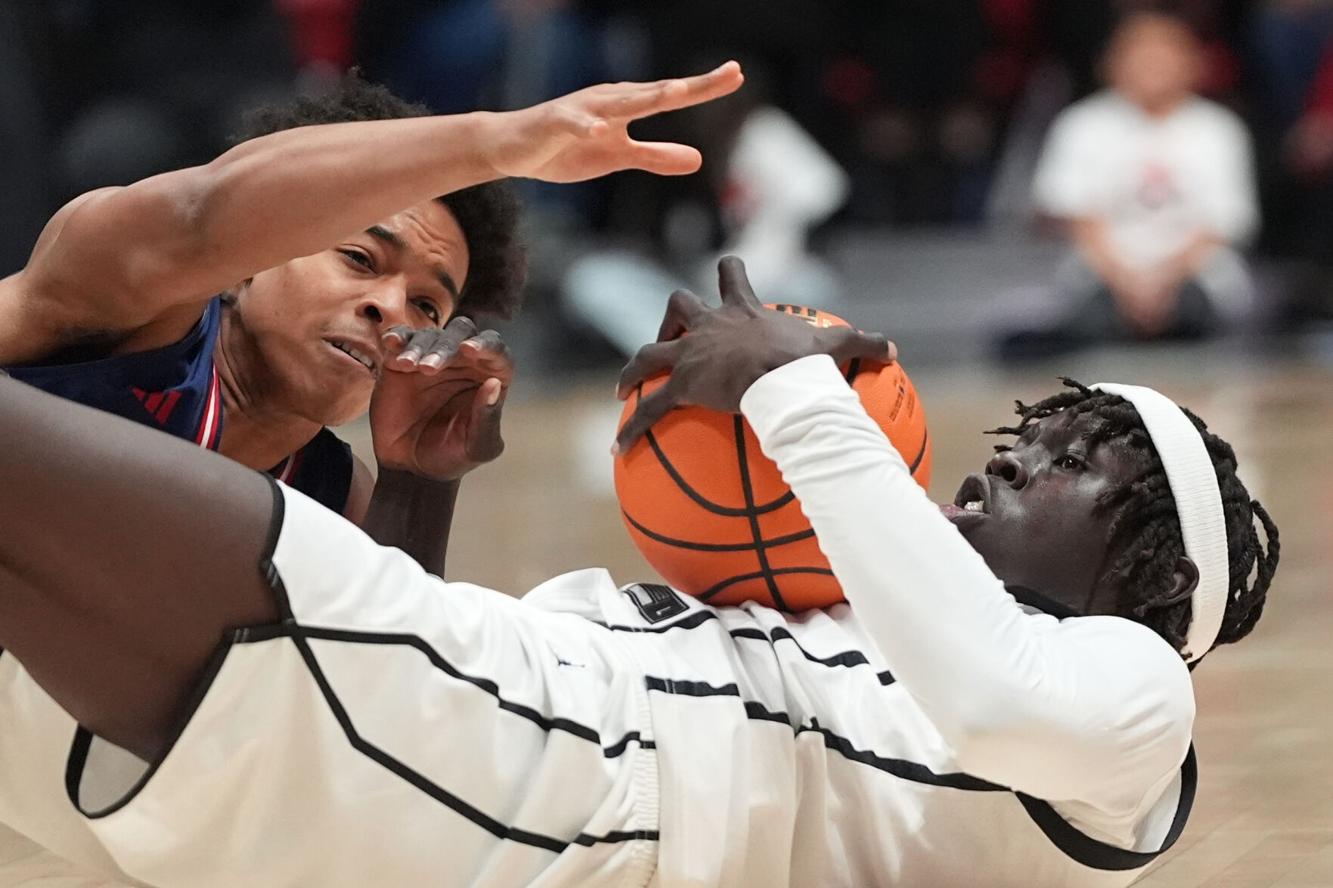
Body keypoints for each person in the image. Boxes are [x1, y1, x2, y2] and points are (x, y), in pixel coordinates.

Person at [0, 258, 1278, 886]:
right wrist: (423, 488)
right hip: (450, 751)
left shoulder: (1135, 709)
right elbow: (387, 698)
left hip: (534, 780)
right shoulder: (843, 620)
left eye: (1060, 462)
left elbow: (997, 696)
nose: (990, 472)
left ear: (1155, 581)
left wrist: (787, 391)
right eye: (1011, 442)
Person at [0, 63, 744, 564]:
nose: (389, 309)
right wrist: (494, 142)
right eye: (358, 259)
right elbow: (207, 212)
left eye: (426, 303)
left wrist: (417, 482)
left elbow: (385, 713)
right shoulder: (109, 291)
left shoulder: (336, 501)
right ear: (251, 261)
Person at [1008, 11, 1259, 356]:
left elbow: (1222, 223)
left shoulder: (1218, 129)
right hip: (1104, 273)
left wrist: (1163, 282)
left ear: (1190, 63)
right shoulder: (1082, 124)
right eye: (1140, 56)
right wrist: (1128, 282)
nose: (1152, 68)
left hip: (1194, 273)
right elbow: (1076, 217)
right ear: (1114, 62)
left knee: (1201, 316)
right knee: (1090, 320)